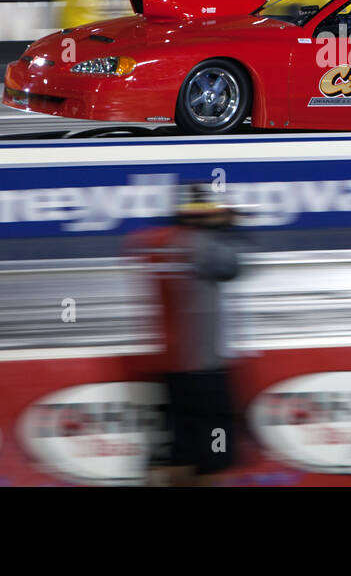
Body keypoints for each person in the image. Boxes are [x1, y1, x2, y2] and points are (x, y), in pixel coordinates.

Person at [129, 182, 244, 486]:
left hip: (170, 364)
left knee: (183, 450)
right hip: (206, 366)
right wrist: (227, 226)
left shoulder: (150, 242)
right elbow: (234, 267)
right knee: (213, 457)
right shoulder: (203, 246)